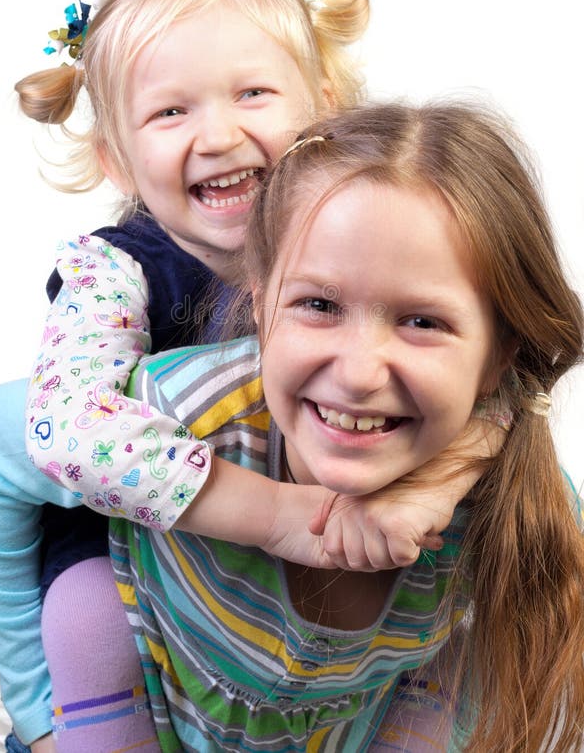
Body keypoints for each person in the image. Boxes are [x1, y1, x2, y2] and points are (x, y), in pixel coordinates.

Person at [0, 0, 502, 752]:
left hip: (311, 577)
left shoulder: (366, 232)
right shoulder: (114, 272)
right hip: (144, 548)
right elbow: (67, 429)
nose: (220, 135)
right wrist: (277, 517)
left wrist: (440, 484)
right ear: (116, 159)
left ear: (325, 108)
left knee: (467, 606)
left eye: (253, 93)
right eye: (170, 112)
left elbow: (496, 376)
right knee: (85, 614)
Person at [110, 102, 584, 751]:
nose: (360, 375)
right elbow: (5, 457)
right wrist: (40, 711)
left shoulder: (513, 504)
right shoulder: (172, 416)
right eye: (319, 304)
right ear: (260, 300)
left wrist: (456, 473)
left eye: (422, 322)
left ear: (499, 353)